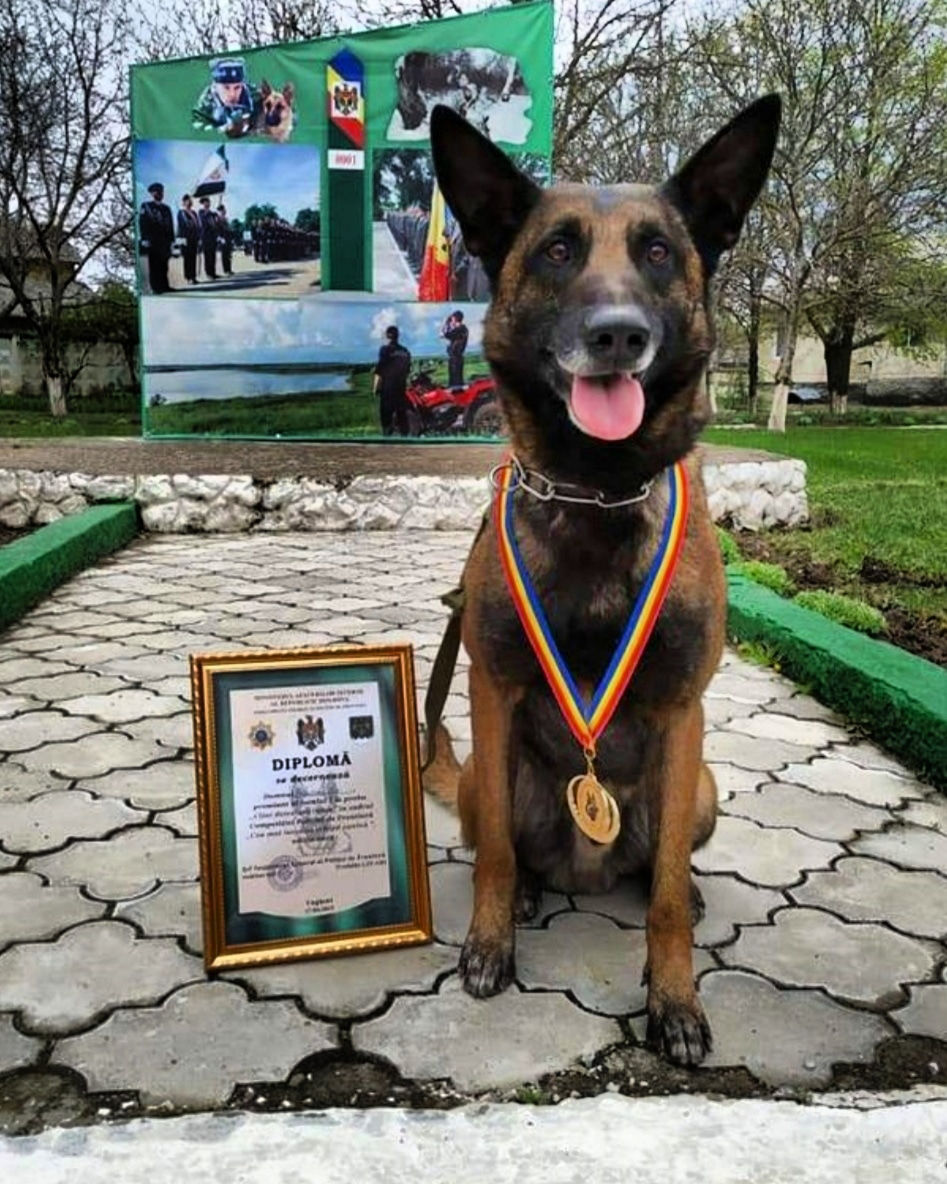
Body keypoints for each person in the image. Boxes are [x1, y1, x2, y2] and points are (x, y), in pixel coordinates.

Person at [192, 58, 260, 136]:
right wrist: (223, 128)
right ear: (215, 87)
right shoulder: (206, 101)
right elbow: (197, 127)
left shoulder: (254, 95)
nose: (232, 94)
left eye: (237, 87)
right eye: (226, 88)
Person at [373, 325, 412, 436]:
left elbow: (379, 370)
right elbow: (407, 370)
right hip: (401, 389)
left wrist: (375, 389)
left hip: (387, 389)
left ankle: (387, 441)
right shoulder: (405, 352)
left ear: (387, 336)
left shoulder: (385, 350)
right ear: (398, 336)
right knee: (402, 416)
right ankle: (405, 439)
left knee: (386, 419)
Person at [139, 182, 175, 295]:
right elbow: (142, 223)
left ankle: (165, 285)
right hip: (153, 241)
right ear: (152, 193)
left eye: (161, 192)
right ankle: (156, 288)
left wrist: (172, 240)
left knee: (164, 265)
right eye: (156, 192)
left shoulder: (166, 208)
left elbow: (170, 225)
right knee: (154, 265)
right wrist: (144, 238)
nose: (159, 194)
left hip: (165, 242)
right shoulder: (146, 206)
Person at [177, 194, 201, 285]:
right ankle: (188, 277)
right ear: (183, 202)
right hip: (186, 239)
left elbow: (197, 226)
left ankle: (193, 277)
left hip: (194, 238)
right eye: (187, 200)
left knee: (193, 258)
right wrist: (181, 239)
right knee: (187, 259)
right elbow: (182, 227)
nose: (190, 202)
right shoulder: (181, 212)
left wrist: (199, 238)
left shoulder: (194, 213)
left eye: (190, 200)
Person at [443, 310, 469, 388]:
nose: (451, 320)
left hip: (455, 357)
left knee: (455, 380)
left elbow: (446, 334)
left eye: (452, 318)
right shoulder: (463, 329)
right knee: (458, 378)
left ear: (455, 318)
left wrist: (446, 323)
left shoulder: (460, 329)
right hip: (458, 357)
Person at [198, 197, 219, 280]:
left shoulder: (213, 213)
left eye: (208, 202)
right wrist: (209, 213)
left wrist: (216, 217)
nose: (207, 204)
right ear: (203, 204)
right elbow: (203, 221)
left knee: (213, 256)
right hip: (205, 237)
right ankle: (208, 273)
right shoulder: (201, 212)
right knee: (207, 256)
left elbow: (216, 224)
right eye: (206, 202)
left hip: (213, 237)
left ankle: (213, 272)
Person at [217, 203, 233, 276]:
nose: (224, 211)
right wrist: (220, 238)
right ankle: (226, 270)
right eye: (222, 210)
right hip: (223, 238)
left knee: (229, 255)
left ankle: (229, 269)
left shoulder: (226, 219)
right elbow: (218, 229)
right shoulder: (218, 219)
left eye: (224, 210)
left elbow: (229, 229)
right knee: (224, 255)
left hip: (228, 238)